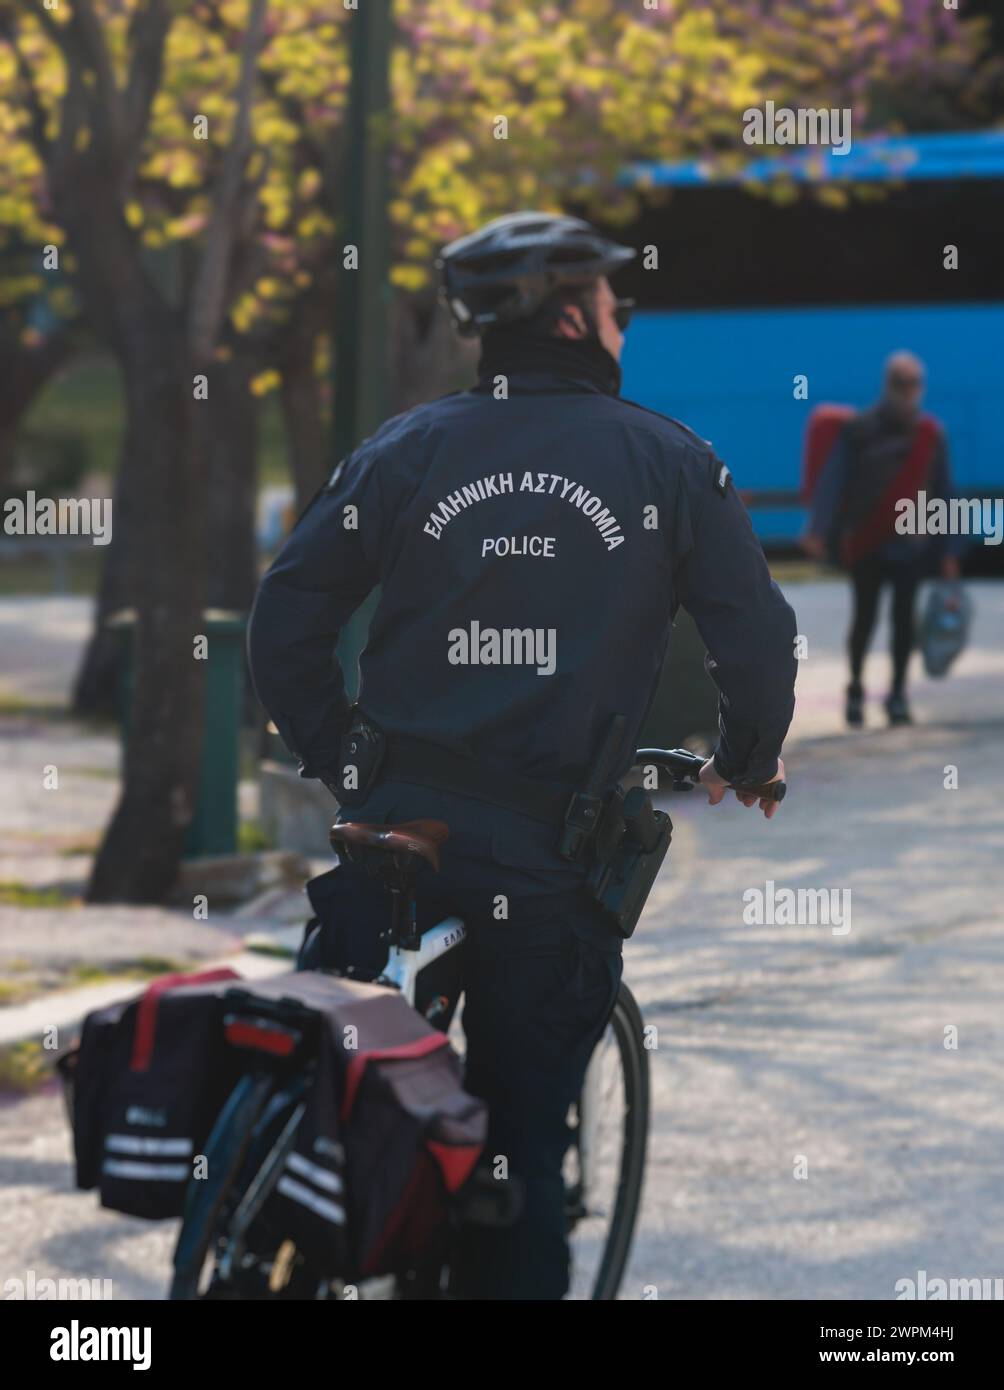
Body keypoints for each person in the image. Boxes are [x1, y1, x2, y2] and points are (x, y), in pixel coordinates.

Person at [247, 211, 798, 1299]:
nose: (619, 321)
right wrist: (745, 754)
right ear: (571, 317)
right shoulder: (666, 460)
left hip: (390, 826)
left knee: (329, 1098)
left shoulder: (405, 448)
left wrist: (344, 759)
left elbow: (285, 618)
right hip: (543, 862)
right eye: (610, 303)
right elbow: (757, 639)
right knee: (516, 1153)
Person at [803, 351, 961, 726]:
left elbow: (943, 491)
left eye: (914, 384)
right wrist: (818, 529)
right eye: (901, 384)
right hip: (867, 543)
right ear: (888, 386)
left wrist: (950, 549)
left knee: (904, 622)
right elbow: (834, 481)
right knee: (864, 619)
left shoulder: (930, 434)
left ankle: (897, 696)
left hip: (910, 544)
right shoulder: (858, 429)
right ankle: (856, 691)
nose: (908, 392)